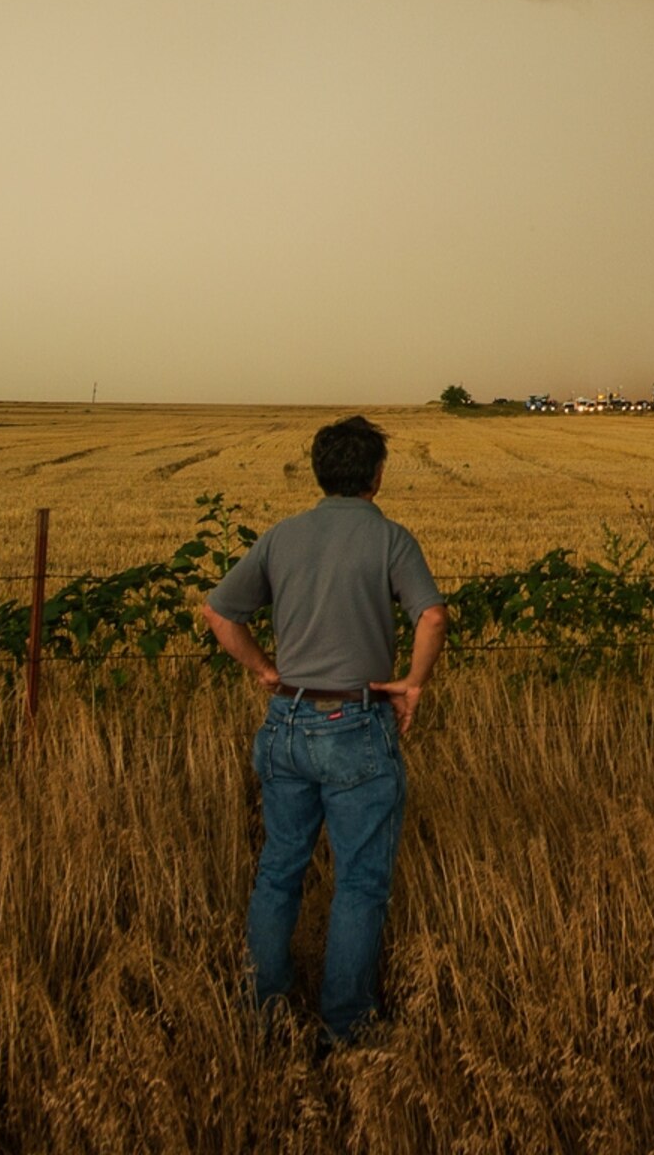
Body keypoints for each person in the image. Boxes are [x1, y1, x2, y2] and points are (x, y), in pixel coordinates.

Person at [201, 414, 446, 1043]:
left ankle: (264, 1015)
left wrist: (265, 670)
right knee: (360, 882)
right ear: (377, 475)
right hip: (357, 725)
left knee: (279, 871)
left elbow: (219, 613)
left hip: (286, 722)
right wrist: (413, 684)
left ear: (318, 471)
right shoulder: (391, 539)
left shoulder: (283, 537)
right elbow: (433, 618)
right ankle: (348, 1026)